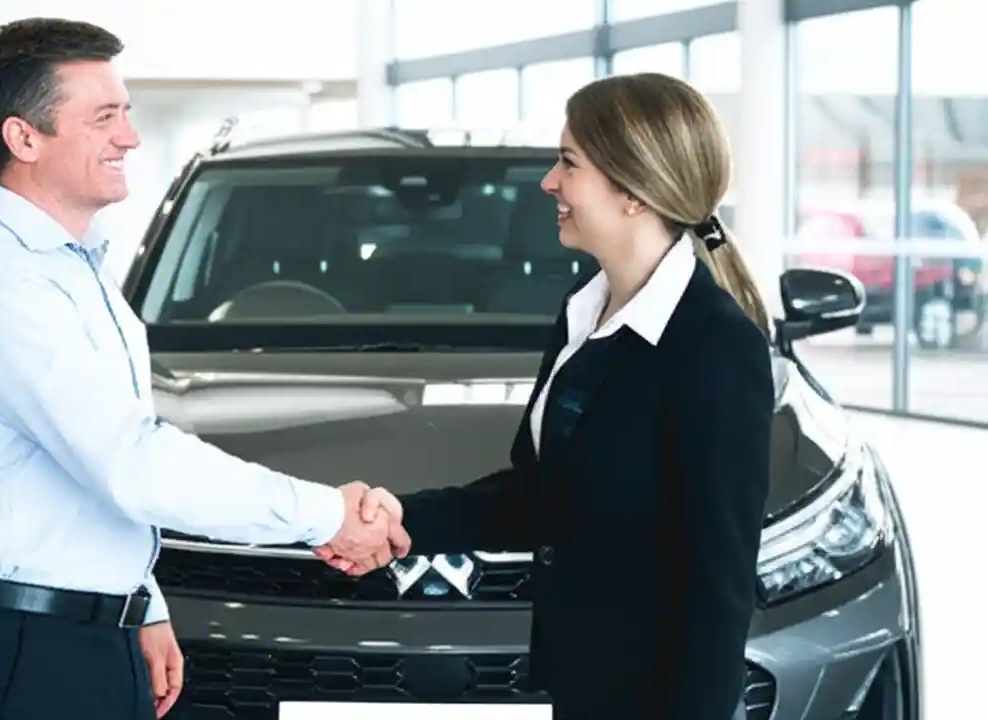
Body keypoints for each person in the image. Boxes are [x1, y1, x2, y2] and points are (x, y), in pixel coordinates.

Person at [0, 18, 406, 720]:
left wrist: (140, 600)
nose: (130, 137)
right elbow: (129, 461)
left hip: (72, 630)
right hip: (22, 650)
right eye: (104, 117)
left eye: (126, 113)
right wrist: (325, 515)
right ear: (24, 138)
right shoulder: (2, 281)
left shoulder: (73, 264)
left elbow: (80, 472)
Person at [325, 73, 775, 720]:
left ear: (632, 191)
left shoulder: (715, 346)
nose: (548, 183)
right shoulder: (583, 312)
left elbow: (719, 588)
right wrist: (403, 518)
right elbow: (541, 497)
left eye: (569, 163)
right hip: (585, 685)